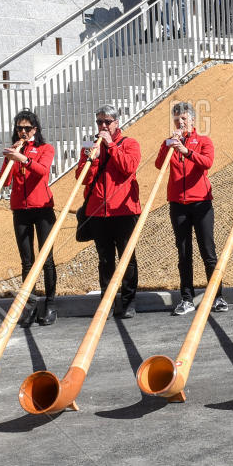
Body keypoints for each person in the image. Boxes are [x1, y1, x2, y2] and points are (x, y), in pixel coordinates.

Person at [157, 101, 225, 316]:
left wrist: (186, 151)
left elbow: (207, 162)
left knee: (208, 251)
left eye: (184, 119)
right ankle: (186, 298)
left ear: (193, 120)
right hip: (178, 204)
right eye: (177, 119)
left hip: (201, 202)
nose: (180, 122)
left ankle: (217, 296)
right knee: (184, 252)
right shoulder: (169, 141)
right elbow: (160, 164)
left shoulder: (203, 140)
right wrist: (169, 146)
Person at [78, 104, 141, 319]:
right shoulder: (90, 145)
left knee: (127, 258)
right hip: (98, 211)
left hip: (124, 210)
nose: (103, 125)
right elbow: (82, 178)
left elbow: (128, 167)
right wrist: (91, 161)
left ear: (116, 123)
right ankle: (108, 301)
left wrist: (111, 146)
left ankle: (129, 300)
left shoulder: (129, 143)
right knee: (105, 259)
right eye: (99, 122)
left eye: (107, 122)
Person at [5, 110, 58, 328]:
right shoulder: (16, 150)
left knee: (46, 259)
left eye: (27, 128)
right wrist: (11, 158)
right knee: (27, 260)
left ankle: (51, 303)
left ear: (35, 129)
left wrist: (23, 159)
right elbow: (5, 179)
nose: (23, 132)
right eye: (19, 128)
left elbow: (42, 171)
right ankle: (30, 304)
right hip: (21, 210)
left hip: (43, 208)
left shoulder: (45, 148)